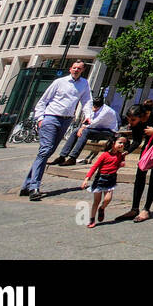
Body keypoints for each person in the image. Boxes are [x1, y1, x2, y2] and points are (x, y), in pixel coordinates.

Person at [20, 60, 91, 201]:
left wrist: (88, 116)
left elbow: (87, 101)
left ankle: (27, 185)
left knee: (47, 152)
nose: (76, 70)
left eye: (79, 68)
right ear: (70, 68)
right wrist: (40, 118)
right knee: (46, 150)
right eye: (74, 68)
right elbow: (43, 100)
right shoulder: (59, 82)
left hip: (66, 120)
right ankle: (34, 187)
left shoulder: (84, 84)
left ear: (83, 70)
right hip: (51, 117)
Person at [54, 96, 119, 166]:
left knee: (85, 132)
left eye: (96, 107)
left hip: (109, 132)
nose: (94, 109)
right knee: (76, 131)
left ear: (101, 106)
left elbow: (94, 123)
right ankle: (62, 156)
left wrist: (82, 129)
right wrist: (81, 128)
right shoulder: (93, 106)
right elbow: (88, 119)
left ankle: (73, 158)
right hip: (97, 129)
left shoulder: (106, 111)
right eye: (93, 106)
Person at [80, 135, 127, 228]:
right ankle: (92, 219)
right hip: (100, 179)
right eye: (120, 142)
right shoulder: (105, 155)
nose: (122, 145)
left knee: (107, 199)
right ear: (113, 143)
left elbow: (118, 164)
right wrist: (86, 179)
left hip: (111, 179)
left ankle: (102, 208)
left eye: (124, 143)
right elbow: (94, 167)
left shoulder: (120, 155)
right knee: (96, 201)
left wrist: (122, 162)